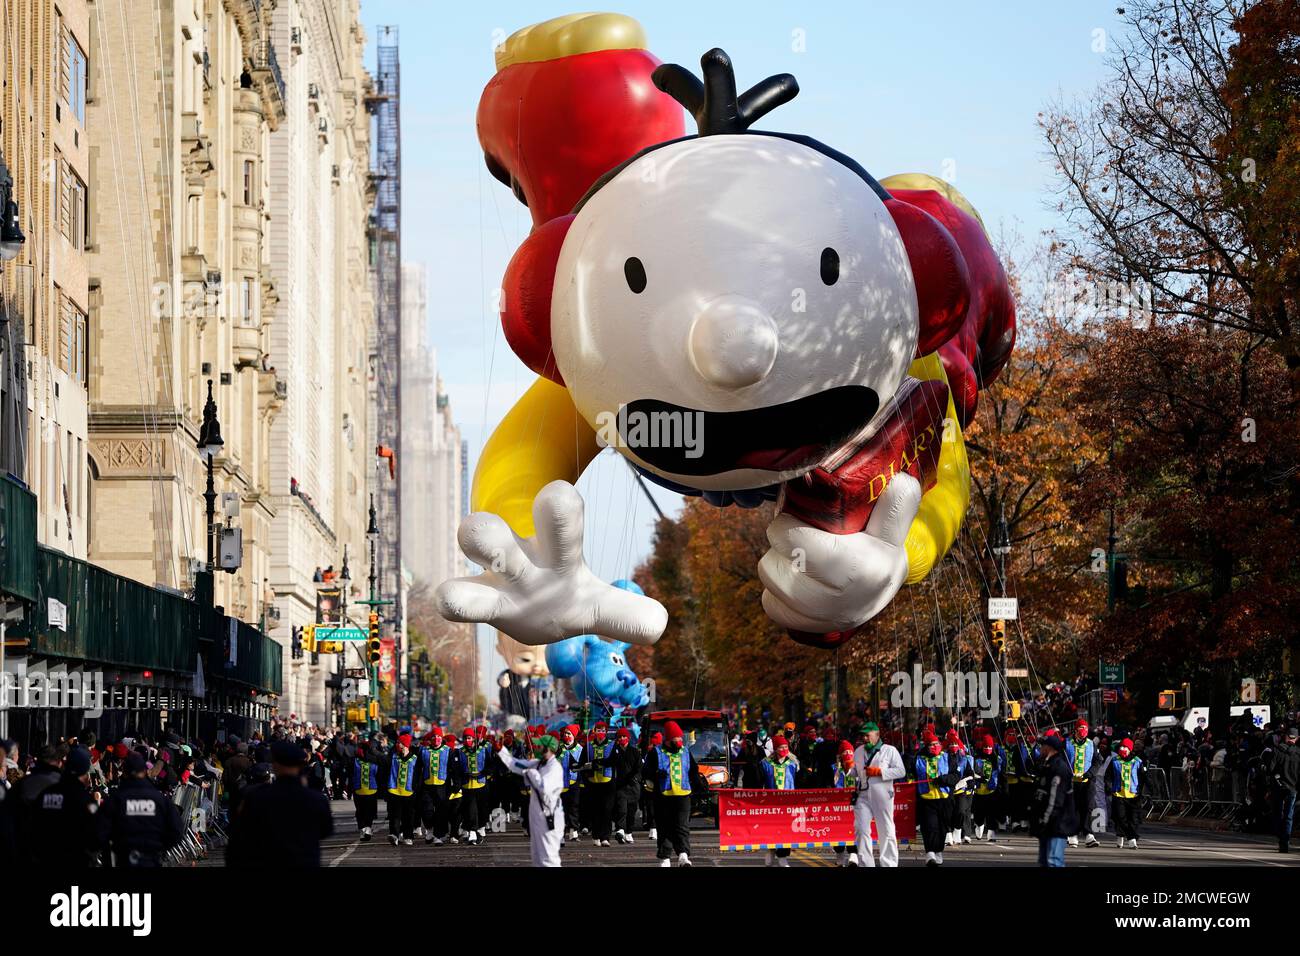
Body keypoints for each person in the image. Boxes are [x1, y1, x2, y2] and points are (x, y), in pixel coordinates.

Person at [227, 741, 334, 867]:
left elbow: (239, 838)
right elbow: (326, 830)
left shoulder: (256, 798)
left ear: (275, 765)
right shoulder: (317, 799)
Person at [98, 751, 184, 866]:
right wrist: (160, 846)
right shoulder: (159, 800)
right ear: (144, 772)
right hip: (151, 859)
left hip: (123, 859)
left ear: (124, 773)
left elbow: (99, 831)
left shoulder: (116, 800)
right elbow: (176, 830)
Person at [645, 720, 708, 867]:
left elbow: (693, 771)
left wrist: (700, 786)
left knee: (682, 826)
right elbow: (645, 773)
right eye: (676, 738)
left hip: (683, 795)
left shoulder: (685, 751)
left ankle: (683, 855)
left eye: (680, 738)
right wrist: (655, 774)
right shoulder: (656, 752)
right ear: (668, 740)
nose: (679, 740)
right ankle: (664, 857)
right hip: (663, 796)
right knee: (665, 827)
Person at [498, 733, 565, 866]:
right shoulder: (538, 764)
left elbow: (543, 787)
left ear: (548, 749)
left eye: (539, 746)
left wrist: (530, 772)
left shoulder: (554, 768)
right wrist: (500, 750)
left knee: (549, 857)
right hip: (538, 816)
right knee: (537, 856)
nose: (536, 748)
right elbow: (515, 764)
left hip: (548, 817)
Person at [29, 746, 100, 868]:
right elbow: (96, 837)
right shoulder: (85, 800)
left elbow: (32, 827)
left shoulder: (46, 794)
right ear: (85, 772)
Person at [853, 721, 905, 867]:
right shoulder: (858, 751)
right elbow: (855, 772)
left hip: (883, 795)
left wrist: (880, 772)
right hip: (862, 795)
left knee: (886, 830)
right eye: (863, 736)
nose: (864, 738)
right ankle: (865, 863)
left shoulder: (890, 750)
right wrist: (847, 768)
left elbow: (901, 771)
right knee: (861, 829)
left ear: (877, 734)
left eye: (867, 735)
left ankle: (888, 863)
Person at [1031, 731, 1078, 868]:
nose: (1040, 749)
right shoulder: (1047, 765)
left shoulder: (1058, 768)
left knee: (1053, 861)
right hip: (1047, 824)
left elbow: (1055, 798)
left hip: (1057, 822)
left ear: (1049, 748)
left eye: (1042, 746)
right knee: (1044, 861)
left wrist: (1045, 819)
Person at [759, 734, 799, 867]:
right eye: (781, 747)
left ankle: (782, 857)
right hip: (772, 803)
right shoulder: (765, 764)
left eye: (786, 747)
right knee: (772, 829)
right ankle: (771, 850)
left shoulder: (793, 764)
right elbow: (758, 782)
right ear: (775, 749)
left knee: (786, 830)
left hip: (788, 802)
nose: (784, 749)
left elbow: (801, 781)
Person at [583, 721, 618, 846]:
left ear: (606, 732)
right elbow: (583, 762)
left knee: (607, 810)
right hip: (593, 783)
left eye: (603, 730)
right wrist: (587, 770)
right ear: (595, 731)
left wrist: (599, 762)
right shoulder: (588, 745)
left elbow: (614, 760)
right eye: (598, 730)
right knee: (595, 810)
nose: (601, 733)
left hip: (608, 782)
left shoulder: (612, 744)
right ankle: (596, 835)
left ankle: (605, 837)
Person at [1064, 720, 1098, 847]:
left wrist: (1089, 774)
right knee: (1073, 808)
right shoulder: (1066, 743)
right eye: (1081, 728)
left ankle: (1089, 834)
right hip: (1072, 782)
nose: (1083, 730)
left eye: (1085, 728)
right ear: (1076, 729)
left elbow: (1097, 761)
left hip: (1087, 781)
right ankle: (1072, 834)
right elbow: (1061, 760)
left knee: (1088, 806)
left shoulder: (1091, 744)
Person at [418, 727, 454, 845]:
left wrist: (455, 784)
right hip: (427, 785)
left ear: (442, 738)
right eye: (434, 736)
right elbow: (417, 768)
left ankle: (439, 835)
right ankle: (429, 829)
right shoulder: (423, 751)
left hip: (442, 786)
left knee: (441, 812)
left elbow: (453, 769)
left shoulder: (448, 751)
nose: (436, 739)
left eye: (439, 736)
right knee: (426, 810)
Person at [384, 733, 420, 846]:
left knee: (408, 816)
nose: (397, 744)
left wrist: (416, 789)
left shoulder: (415, 759)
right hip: (394, 790)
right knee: (394, 815)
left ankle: (408, 836)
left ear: (405, 745)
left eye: (399, 742)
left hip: (409, 792)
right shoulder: (393, 756)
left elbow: (418, 775)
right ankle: (394, 835)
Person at [1108, 737, 1145, 849]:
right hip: (1119, 795)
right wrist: (1109, 787)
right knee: (1120, 817)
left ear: (1130, 749)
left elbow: (1143, 778)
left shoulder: (1138, 762)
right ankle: (1131, 839)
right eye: (1121, 747)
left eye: (1125, 747)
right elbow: (1108, 777)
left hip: (1133, 796)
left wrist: (1145, 792)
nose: (1122, 749)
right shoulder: (1114, 761)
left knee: (1133, 819)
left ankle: (1124, 835)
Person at [1267, 726, 1299, 853]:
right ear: (1296, 738)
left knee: (1277, 813)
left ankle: (1281, 837)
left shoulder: (1277, 750)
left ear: (1286, 737)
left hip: (1278, 786)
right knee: (1288, 815)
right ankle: (1285, 841)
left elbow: (1270, 769)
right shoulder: (1299, 753)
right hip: (1293, 787)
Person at [460, 726, 490, 843]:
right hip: (467, 786)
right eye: (465, 738)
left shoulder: (482, 750)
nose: (467, 740)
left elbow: (490, 765)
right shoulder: (461, 752)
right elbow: (458, 769)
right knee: (470, 809)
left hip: (481, 785)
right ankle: (472, 832)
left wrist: (482, 773)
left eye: (469, 738)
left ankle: (478, 829)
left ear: (473, 739)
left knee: (482, 810)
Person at [612, 727, 642, 844]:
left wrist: (634, 778)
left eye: (624, 736)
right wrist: (597, 762)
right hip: (620, 787)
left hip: (633, 787)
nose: (622, 739)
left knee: (631, 811)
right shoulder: (615, 752)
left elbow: (639, 767)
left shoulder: (635, 752)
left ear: (628, 738)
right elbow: (609, 761)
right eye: (619, 737)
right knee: (621, 809)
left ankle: (629, 832)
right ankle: (620, 830)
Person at [971, 733, 1002, 842]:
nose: (988, 749)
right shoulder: (976, 758)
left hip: (992, 791)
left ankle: (991, 833)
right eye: (985, 747)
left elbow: (1000, 773)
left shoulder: (997, 759)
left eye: (990, 747)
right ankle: (978, 825)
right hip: (979, 791)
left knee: (991, 813)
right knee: (979, 814)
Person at [556, 725, 584, 842]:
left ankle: (574, 831)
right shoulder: (558, 747)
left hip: (574, 781)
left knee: (574, 806)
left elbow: (582, 764)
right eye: (565, 734)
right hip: (560, 782)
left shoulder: (579, 749)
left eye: (569, 734)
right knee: (561, 808)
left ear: (574, 736)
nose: (566, 736)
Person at [352, 740, 383, 841]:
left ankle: (363, 829)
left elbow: (350, 774)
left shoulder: (355, 760)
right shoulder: (374, 761)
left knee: (360, 811)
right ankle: (368, 828)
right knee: (369, 811)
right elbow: (379, 776)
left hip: (359, 789)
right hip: (371, 789)